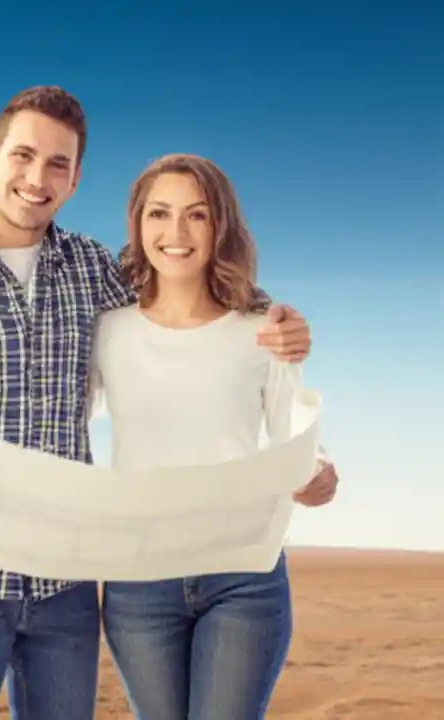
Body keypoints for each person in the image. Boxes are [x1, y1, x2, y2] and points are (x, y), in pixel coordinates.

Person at [0, 85, 314, 719]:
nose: (37, 179)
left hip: (64, 574)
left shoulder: (96, 270)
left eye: (57, 164)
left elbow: (185, 295)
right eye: (23, 157)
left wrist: (279, 322)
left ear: (76, 178)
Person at [89, 153, 338, 720]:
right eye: (160, 214)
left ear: (219, 225)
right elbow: (55, 419)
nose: (175, 233)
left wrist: (317, 470)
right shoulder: (107, 332)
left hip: (243, 577)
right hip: (139, 580)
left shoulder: (263, 330)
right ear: (138, 223)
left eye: (196, 216)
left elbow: (293, 430)